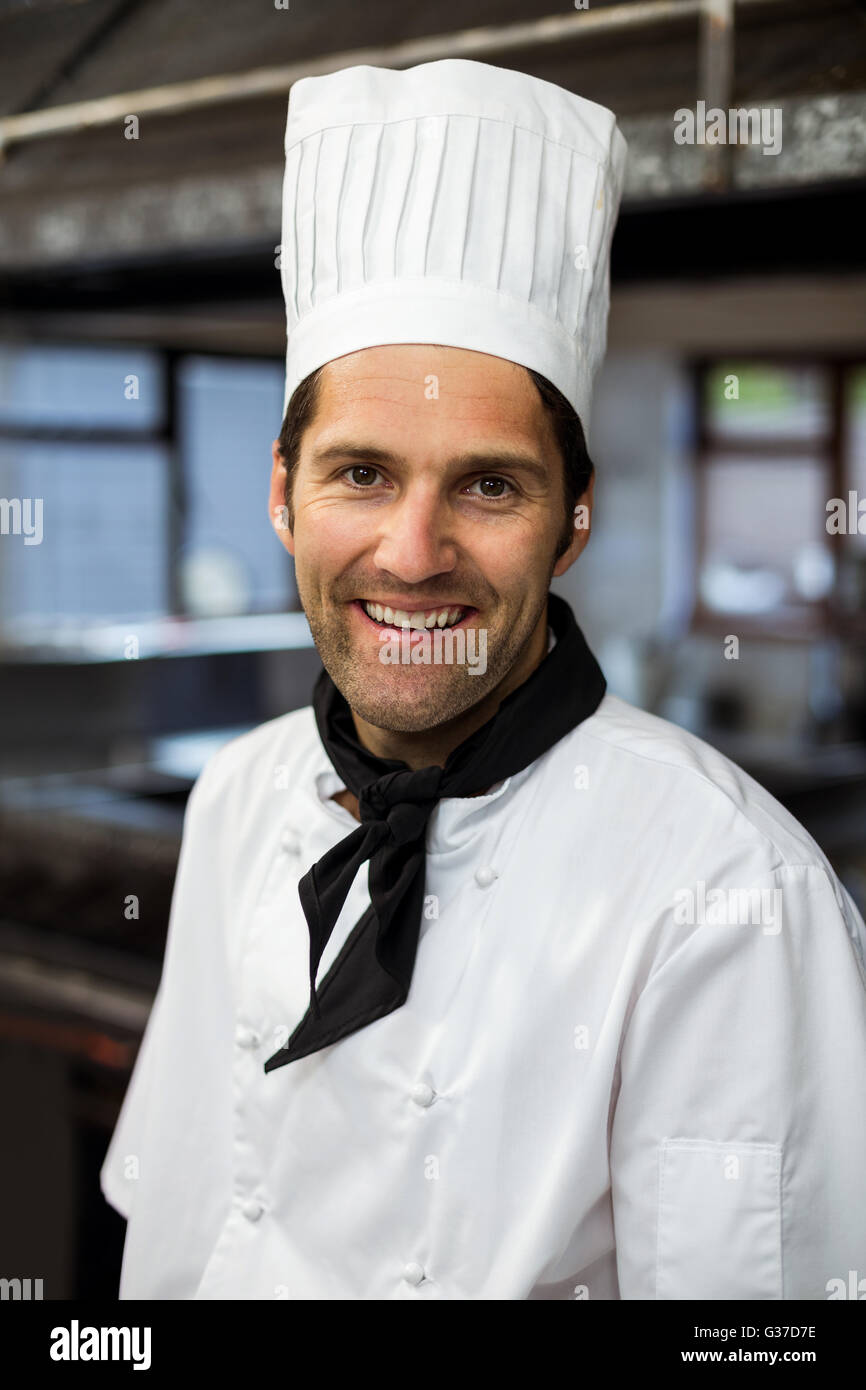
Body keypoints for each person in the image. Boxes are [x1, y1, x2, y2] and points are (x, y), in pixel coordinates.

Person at [101, 58, 866, 1300]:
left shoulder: (731, 896)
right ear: (282, 492)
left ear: (572, 519)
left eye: (488, 484)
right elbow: (179, 1238)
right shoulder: (237, 799)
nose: (412, 555)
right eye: (361, 474)